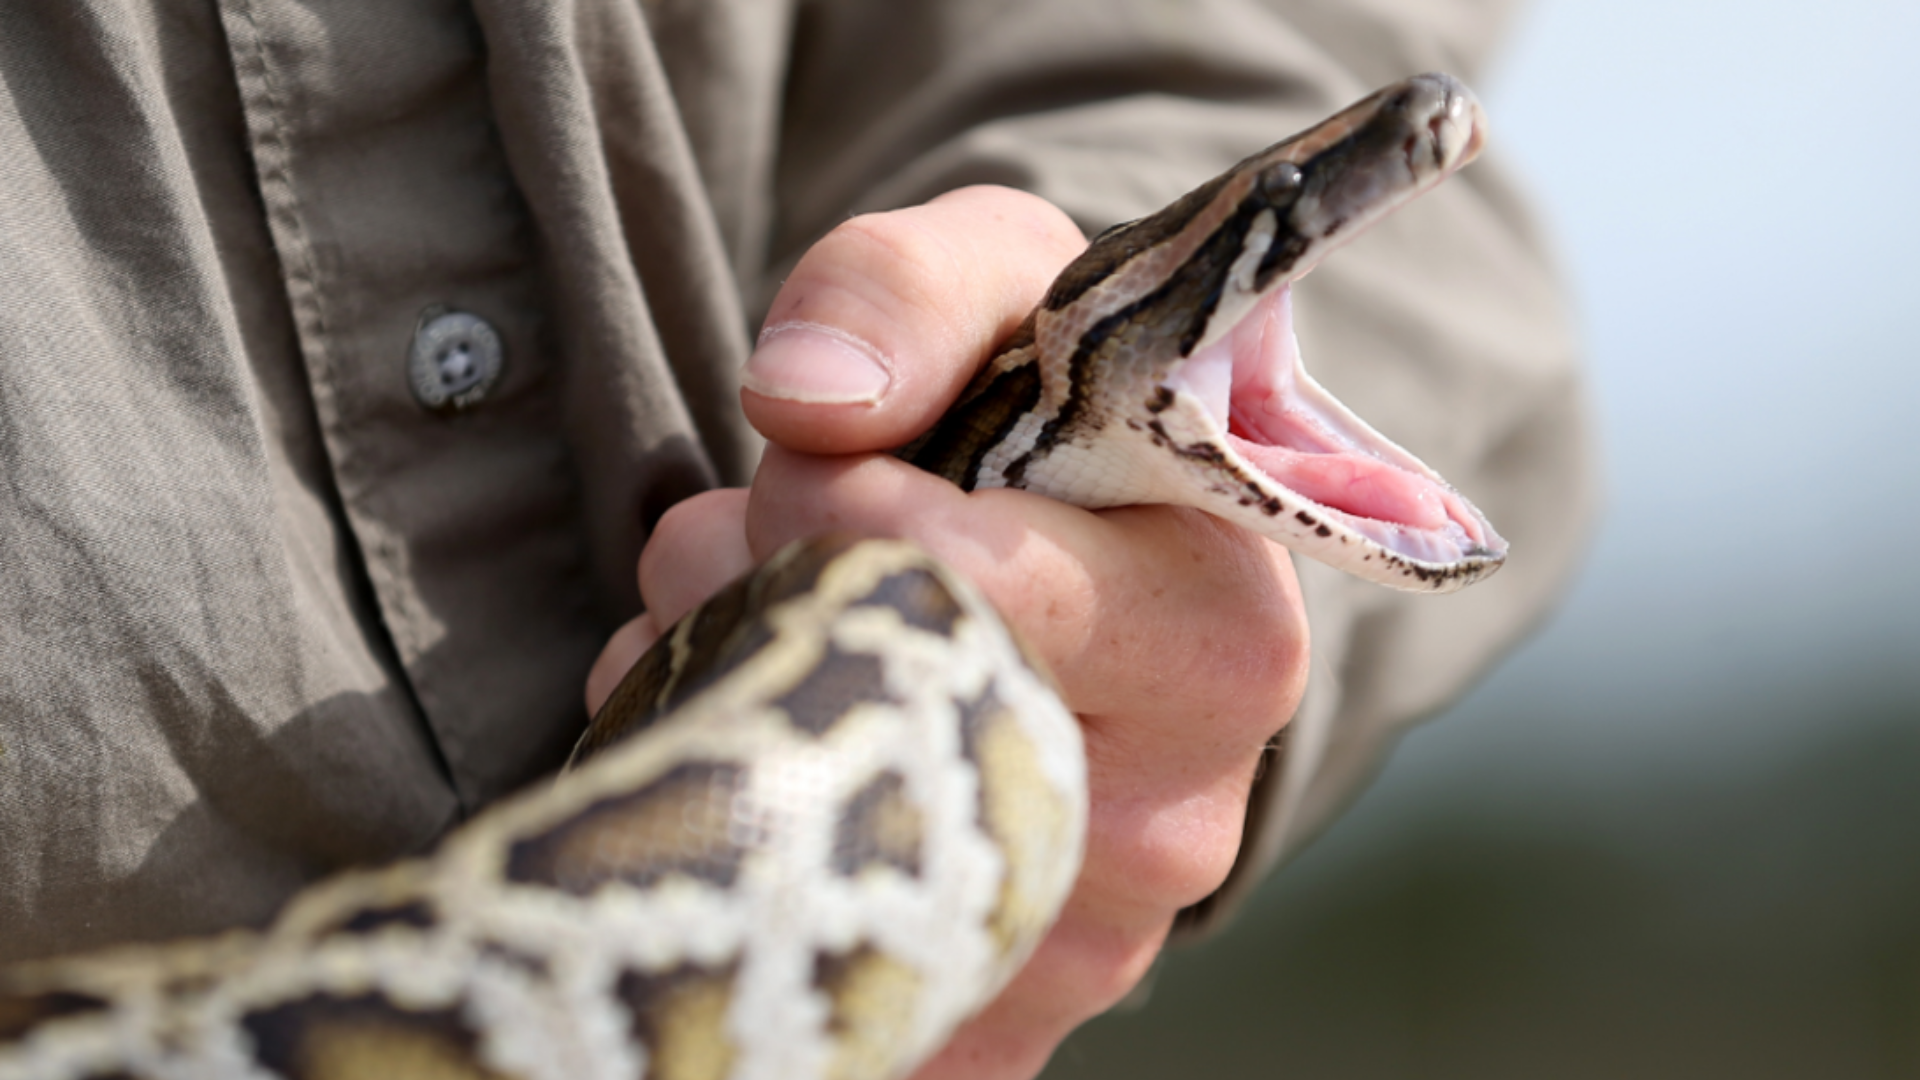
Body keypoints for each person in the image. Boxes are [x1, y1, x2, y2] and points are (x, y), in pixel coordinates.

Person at [0, 1, 1593, 1076]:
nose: (1355, 181)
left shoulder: (1100, 381)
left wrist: (1138, 661)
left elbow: (1246, 51)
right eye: (1282, 213)